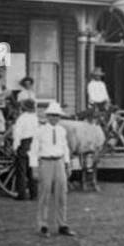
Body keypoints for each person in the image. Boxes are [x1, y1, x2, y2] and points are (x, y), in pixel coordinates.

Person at [30, 101, 76, 237]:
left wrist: (67, 164)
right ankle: (43, 225)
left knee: (62, 194)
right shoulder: (40, 131)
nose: (54, 118)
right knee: (44, 194)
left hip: (59, 162)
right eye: (52, 115)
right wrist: (34, 168)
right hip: (46, 162)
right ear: (47, 116)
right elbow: (33, 150)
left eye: (57, 116)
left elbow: (65, 148)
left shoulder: (62, 130)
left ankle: (62, 224)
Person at [11, 96, 39, 201]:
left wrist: (15, 147)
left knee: (21, 170)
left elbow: (17, 134)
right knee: (32, 169)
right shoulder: (35, 118)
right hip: (34, 144)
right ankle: (34, 194)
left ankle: (22, 194)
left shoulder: (21, 118)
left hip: (24, 144)